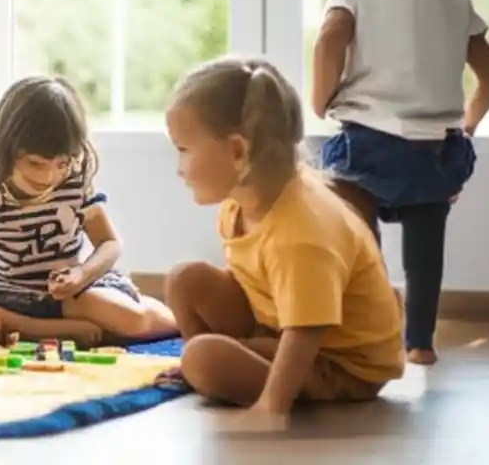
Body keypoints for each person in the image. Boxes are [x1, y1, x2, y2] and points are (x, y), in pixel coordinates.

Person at [312, 0, 489, 365]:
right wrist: (468, 124)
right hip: (435, 150)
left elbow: (331, 37)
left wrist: (320, 98)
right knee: (425, 255)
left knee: (355, 234)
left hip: (368, 146)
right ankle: (419, 342)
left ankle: (364, 329)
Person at [163, 57, 403, 425]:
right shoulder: (240, 202)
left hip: (339, 363)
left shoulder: (301, 231)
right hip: (279, 328)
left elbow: (309, 329)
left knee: (202, 358)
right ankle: (217, 366)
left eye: (184, 150)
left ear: (238, 151)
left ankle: (239, 376)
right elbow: (256, 280)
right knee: (185, 280)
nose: (178, 168)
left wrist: (271, 406)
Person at [0, 76, 176, 347]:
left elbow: (110, 243)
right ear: (7, 148)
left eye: (61, 163)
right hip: (2, 293)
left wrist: (82, 274)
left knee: (129, 317)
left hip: (67, 298)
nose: (49, 176)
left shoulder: (74, 177)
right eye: (36, 163)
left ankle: (53, 329)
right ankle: (44, 331)